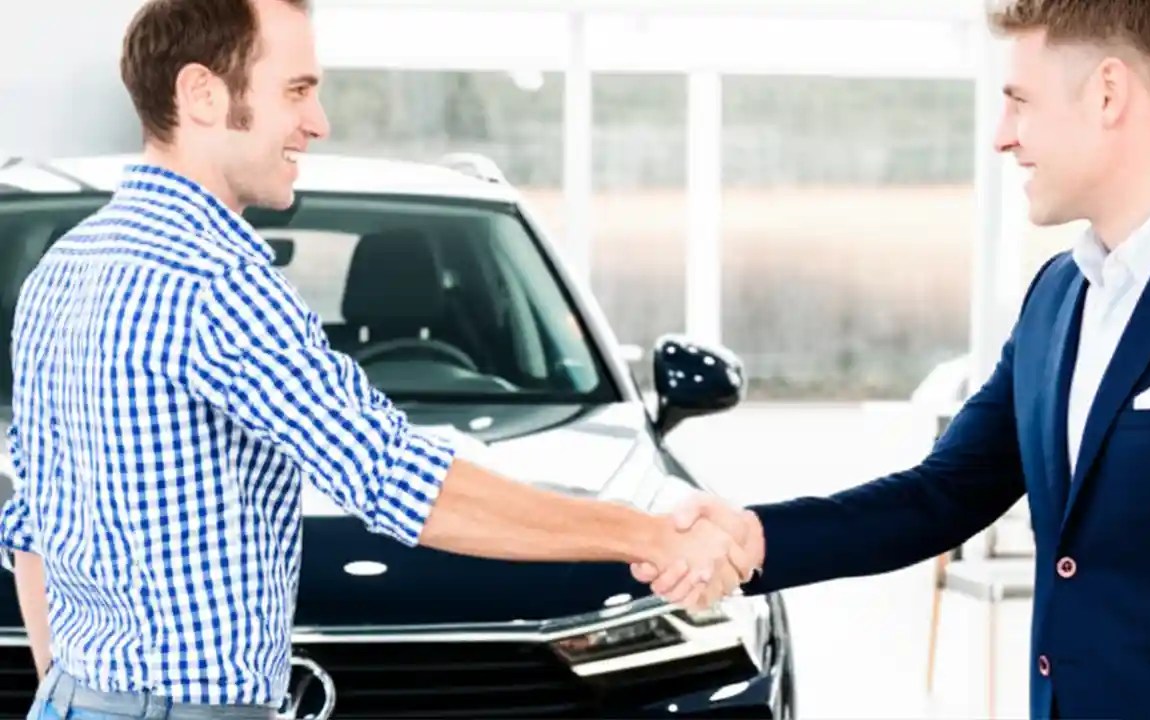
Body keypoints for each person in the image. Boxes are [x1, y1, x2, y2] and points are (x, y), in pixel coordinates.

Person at [0, 0, 754, 717]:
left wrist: (73, 695)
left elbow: (28, 526)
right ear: (201, 93)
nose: (317, 122)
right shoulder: (215, 281)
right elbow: (397, 479)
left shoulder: (62, 269)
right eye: (296, 90)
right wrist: (647, 533)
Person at [637, 0, 1150, 718]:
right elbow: (944, 493)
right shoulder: (1059, 295)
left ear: (1107, 93)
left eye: (1020, 103)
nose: (1002, 138)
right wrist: (753, 537)